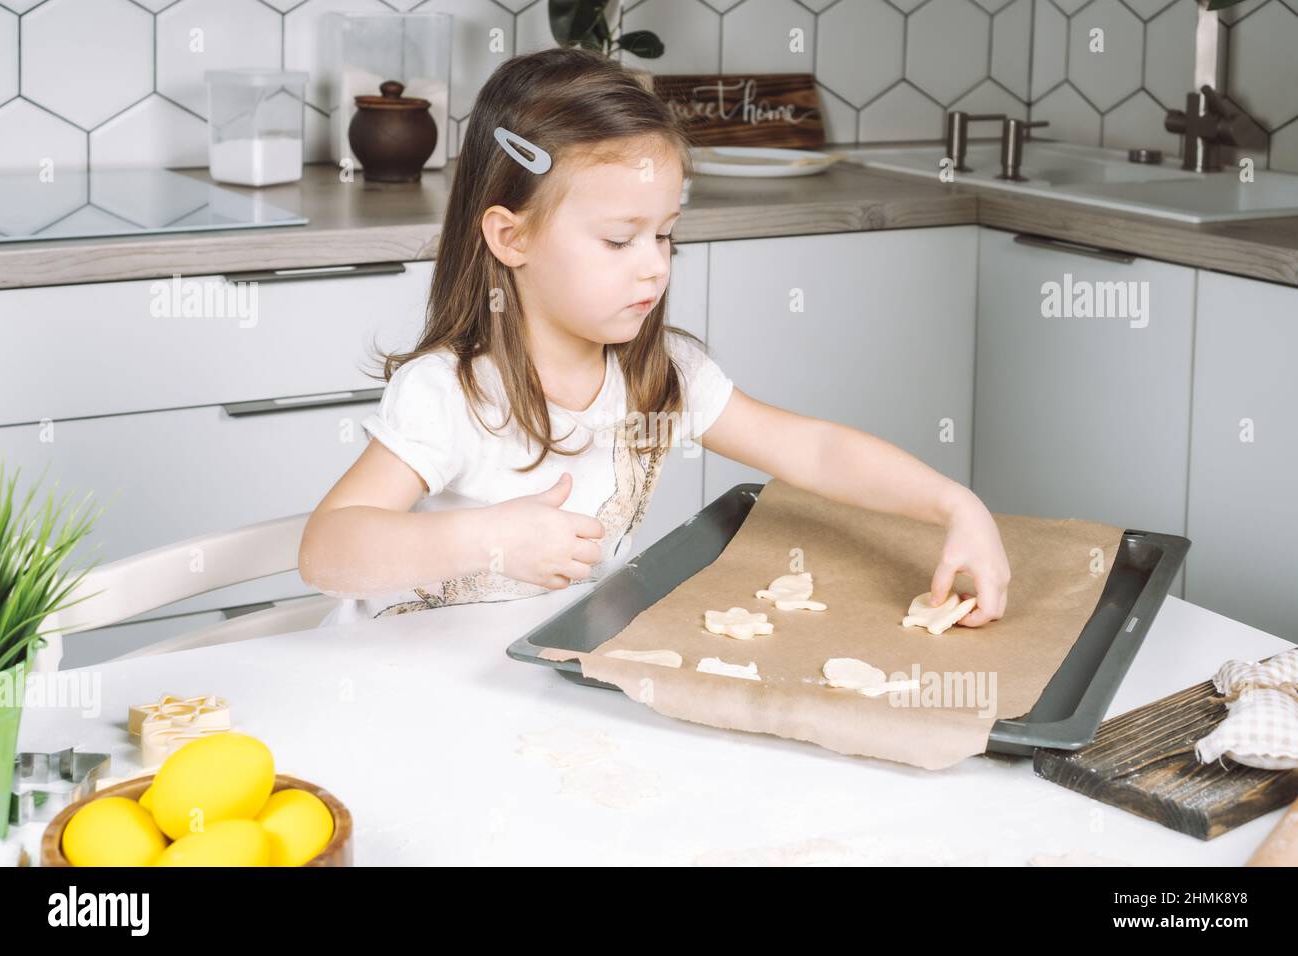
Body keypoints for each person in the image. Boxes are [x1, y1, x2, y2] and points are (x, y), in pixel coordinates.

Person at [300, 47, 1010, 626]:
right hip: (418, 692)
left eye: (666, 234)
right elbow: (328, 550)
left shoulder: (665, 375)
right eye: (618, 240)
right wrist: (487, 541)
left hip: (540, 687)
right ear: (511, 237)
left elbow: (816, 452)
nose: (655, 267)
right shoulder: (451, 393)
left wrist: (956, 506)